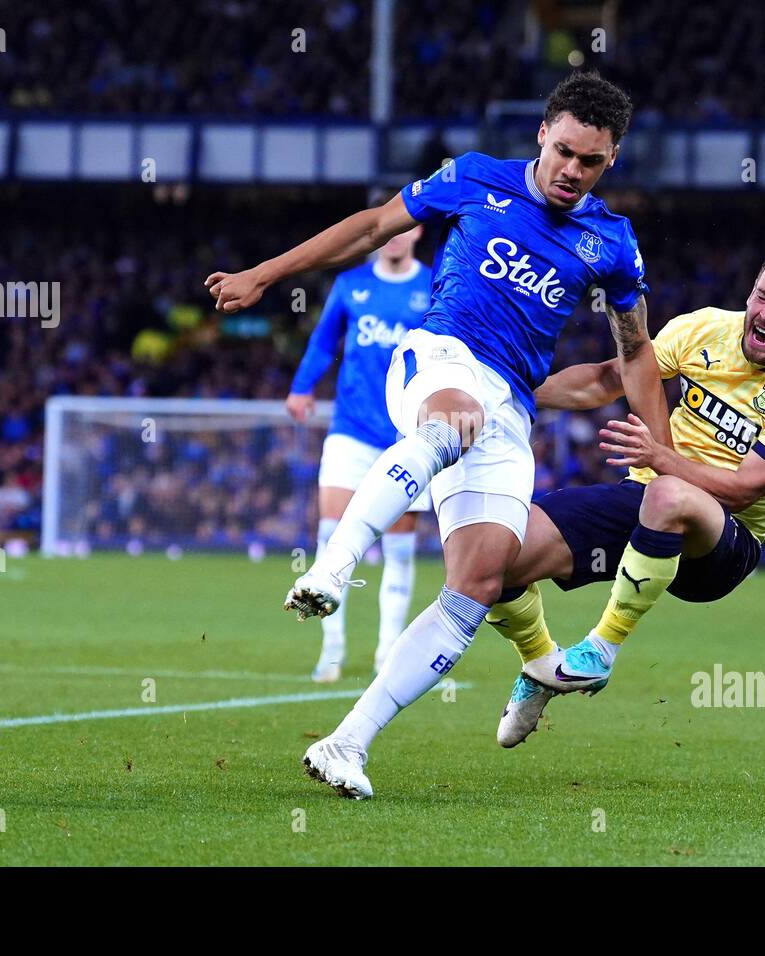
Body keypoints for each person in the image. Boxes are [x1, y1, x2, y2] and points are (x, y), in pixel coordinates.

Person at [206, 71, 665, 798]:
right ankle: (332, 567)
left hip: (512, 409)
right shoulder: (476, 179)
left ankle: (345, 744)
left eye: (594, 161)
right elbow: (369, 227)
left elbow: (634, 351)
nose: (574, 171)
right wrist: (265, 273)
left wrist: (662, 457)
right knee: (457, 416)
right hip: (438, 359)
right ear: (542, 133)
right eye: (566, 152)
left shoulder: (611, 242)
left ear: (612, 160)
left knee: (479, 581)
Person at [487, 251, 765, 745]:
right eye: (762, 296)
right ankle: (541, 665)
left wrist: (659, 457)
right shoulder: (704, 329)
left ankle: (601, 649)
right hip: (646, 499)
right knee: (497, 553)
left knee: (669, 493)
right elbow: (607, 379)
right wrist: (510, 391)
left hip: (722, 544)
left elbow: (746, 489)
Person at [287, 224, 433, 682]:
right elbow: (324, 340)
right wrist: (301, 386)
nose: (393, 238)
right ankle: (331, 650)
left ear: (417, 233)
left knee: (399, 549)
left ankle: (387, 651)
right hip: (350, 429)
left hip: (409, 433)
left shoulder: (433, 286)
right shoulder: (351, 285)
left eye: (403, 231)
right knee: (332, 538)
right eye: (388, 231)